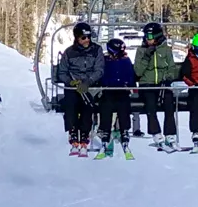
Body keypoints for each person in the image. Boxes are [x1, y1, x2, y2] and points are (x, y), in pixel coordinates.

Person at [54, 22, 103, 153]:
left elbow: (99, 70)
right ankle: (73, 130)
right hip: (73, 85)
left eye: (88, 37)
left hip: (90, 85)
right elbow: (62, 72)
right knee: (70, 103)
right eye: (83, 38)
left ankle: (85, 132)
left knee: (88, 104)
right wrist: (70, 82)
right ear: (77, 38)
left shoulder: (96, 50)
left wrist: (88, 82)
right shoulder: (69, 52)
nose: (87, 40)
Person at [132, 22, 180, 150]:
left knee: (169, 104)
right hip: (147, 84)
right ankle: (156, 134)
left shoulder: (166, 50)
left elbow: (172, 68)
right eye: (146, 37)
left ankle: (170, 135)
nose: (148, 39)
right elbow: (138, 71)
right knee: (150, 106)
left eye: (151, 37)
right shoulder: (141, 51)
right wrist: (147, 56)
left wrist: (168, 78)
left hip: (162, 84)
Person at [96, 38, 138, 156]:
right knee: (106, 105)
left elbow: (130, 75)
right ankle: (105, 130)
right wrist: (103, 83)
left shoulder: (125, 61)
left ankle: (124, 130)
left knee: (123, 105)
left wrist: (132, 87)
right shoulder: (105, 61)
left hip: (122, 89)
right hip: (109, 89)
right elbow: (101, 74)